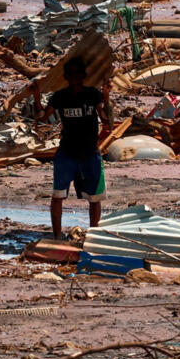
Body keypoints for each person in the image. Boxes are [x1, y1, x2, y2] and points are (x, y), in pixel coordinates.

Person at [30, 56, 111, 238]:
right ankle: (57, 236)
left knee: (94, 198)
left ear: (83, 75)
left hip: (90, 152)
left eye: (77, 73)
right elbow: (43, 117)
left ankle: (93, 236)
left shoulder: (93, 95)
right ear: (66, 76)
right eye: (71, 74)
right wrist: (36, 95)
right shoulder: (60, 96)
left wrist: (106, 95)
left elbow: (105, 119)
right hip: (67, 152)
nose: (74, 77)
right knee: (58, 195)